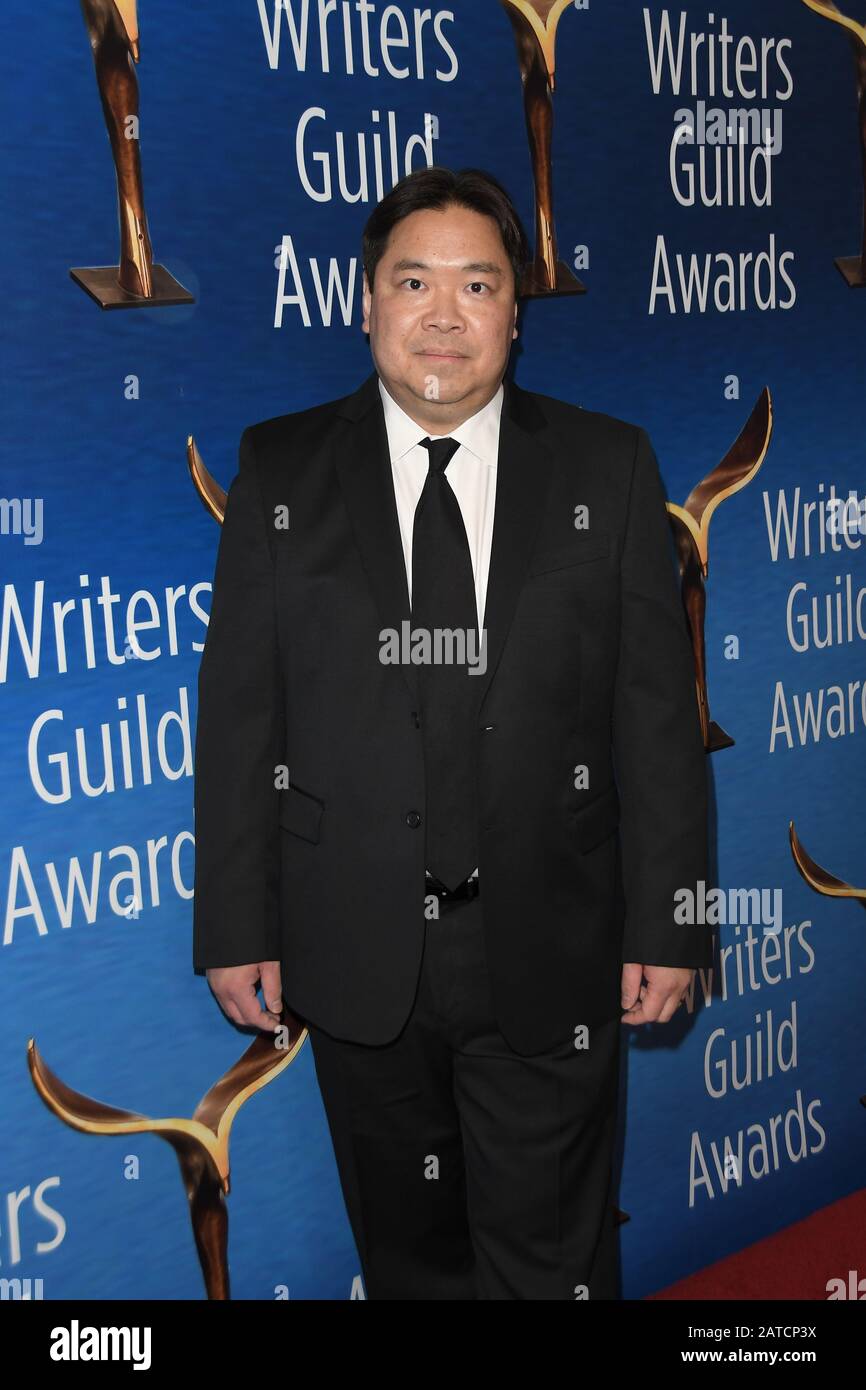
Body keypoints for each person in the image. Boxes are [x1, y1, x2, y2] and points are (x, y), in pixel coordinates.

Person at [192, 166, 711, 1300]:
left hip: (550, 942)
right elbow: (240, 713)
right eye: (411, 281)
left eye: (475, 285)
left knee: (552, 1264)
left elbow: (656, 720)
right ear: (364, 301)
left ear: (513, 314)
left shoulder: (604, 465)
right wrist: (235, 922)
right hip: (357, 953)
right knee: (410, 1262)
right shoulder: (280, 468)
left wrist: (673, 923)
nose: (441, 315)